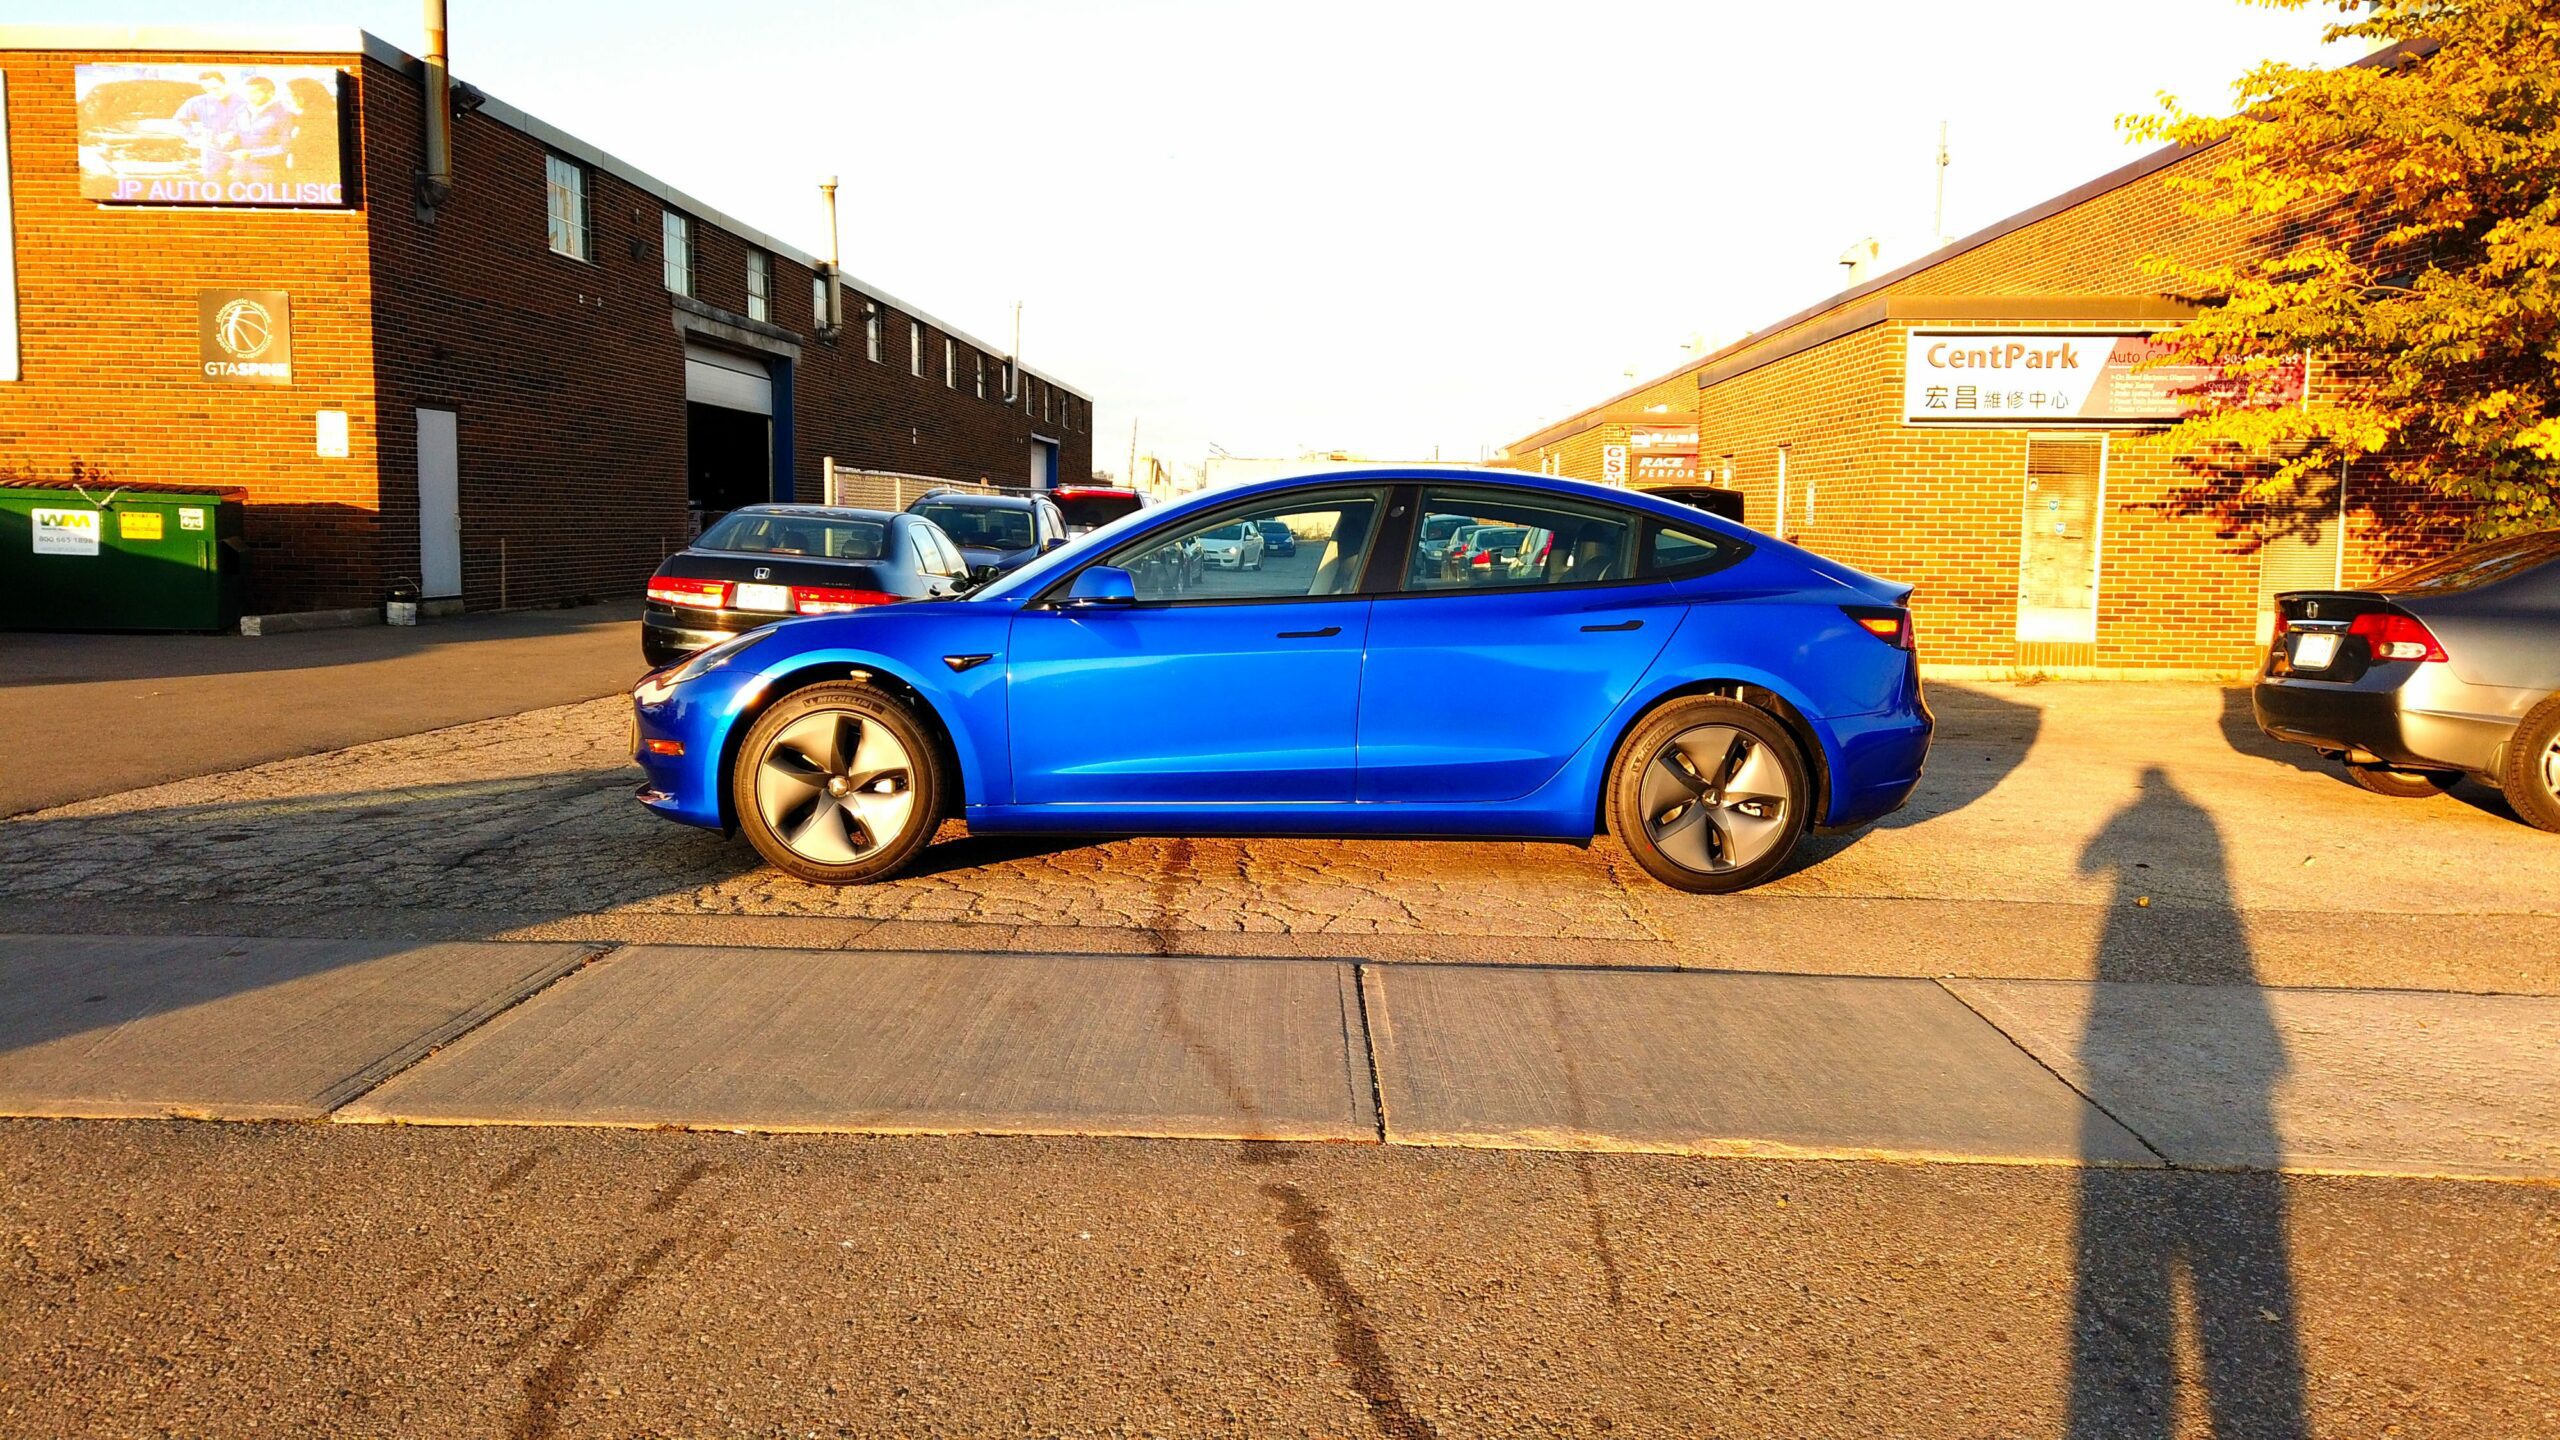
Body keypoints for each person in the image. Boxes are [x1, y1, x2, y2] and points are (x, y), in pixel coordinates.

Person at [226, 76, 298, 185]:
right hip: (240, 172)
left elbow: (286, 147)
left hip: (268, 174)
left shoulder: (284, 114)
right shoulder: (241, 111)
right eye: (246, 92)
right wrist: (229, 136)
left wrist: (252, 154)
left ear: (271, 93)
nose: (249, 96)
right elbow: (234, 130)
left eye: (254, 92)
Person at [172, 71, 240, 181]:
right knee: (214, 186)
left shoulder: (243, 101)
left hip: (239, 154)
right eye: (208, 90)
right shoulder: (198, 102)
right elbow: (178, 121)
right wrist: (193, 138)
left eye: (216, 88)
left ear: (226, 83)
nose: (214, 92)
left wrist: (234, 134)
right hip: (212, 156)